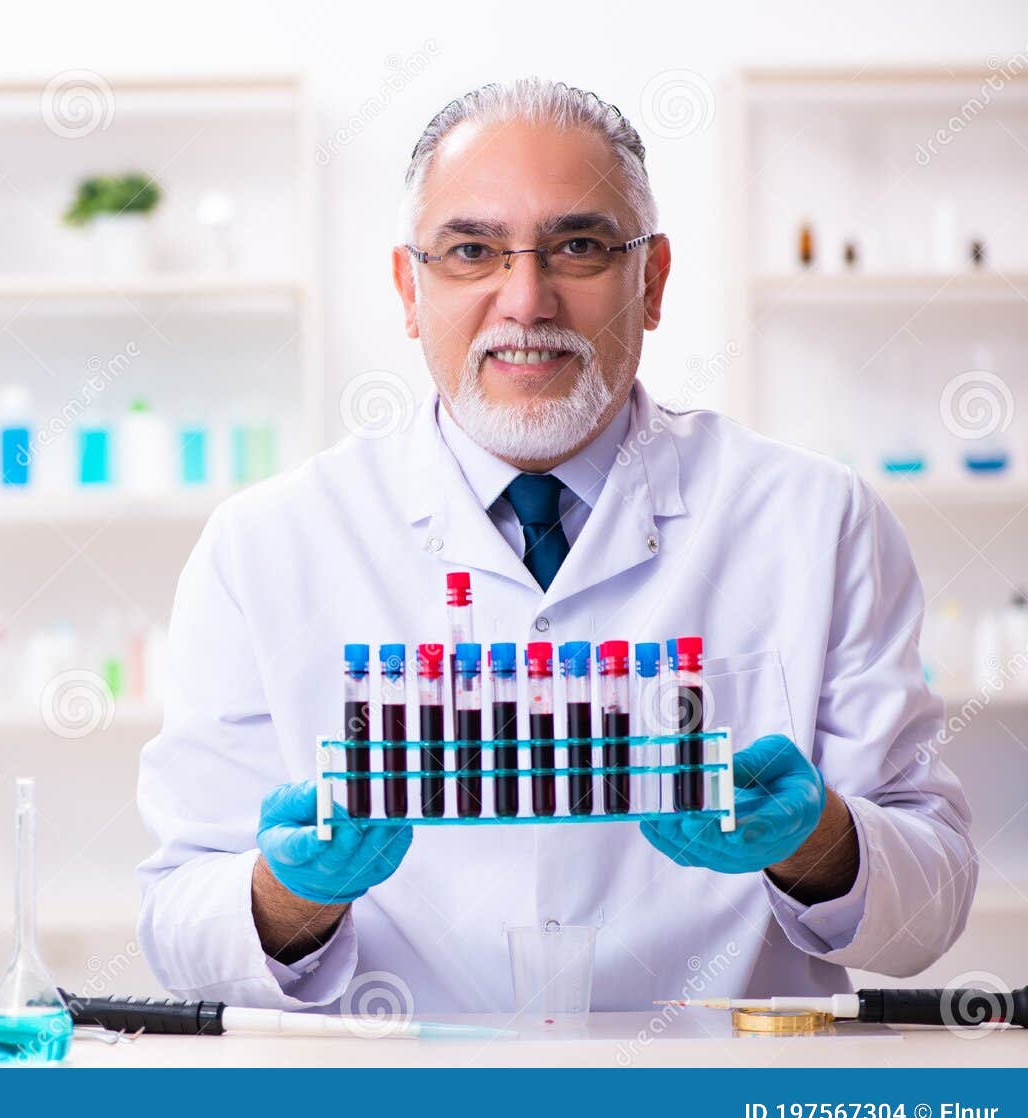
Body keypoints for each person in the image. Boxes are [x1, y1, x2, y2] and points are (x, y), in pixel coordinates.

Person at [135, 77, 976, 1012]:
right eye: (470, 251)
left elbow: (932, 914)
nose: (526, 300)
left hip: (713, 1106)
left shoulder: (814, 518)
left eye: (578, 247)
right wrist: (288, 894)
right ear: (410, 289)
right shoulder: (266, 546)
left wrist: (817, 839)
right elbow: (178, 928)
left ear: (649, 282)